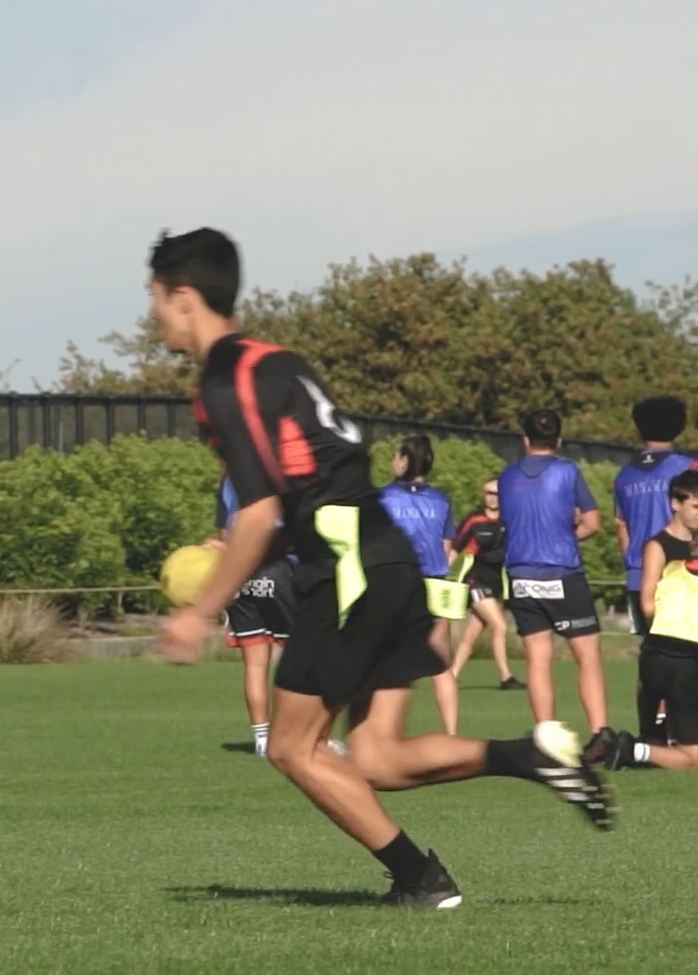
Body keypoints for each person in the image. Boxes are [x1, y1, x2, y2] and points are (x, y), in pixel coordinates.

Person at [149, 228, 611, 908]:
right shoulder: (281, 361)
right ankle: (533, 756)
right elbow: (310, 490)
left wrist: (195, 611)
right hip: (389, 561)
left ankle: (420, 880)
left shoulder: (224, 380)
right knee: (375, 758)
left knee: (290, 748)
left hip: (346, 574)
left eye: (155, 296)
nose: (153, 311)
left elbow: (259, 511)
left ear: (184, 296)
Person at [498, 409, 612, 754]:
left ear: (525, 440)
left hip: (520, 574)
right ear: (559, 440)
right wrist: (567, 532)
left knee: (537, 659)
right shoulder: (567, 470)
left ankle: (546, 736)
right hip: (562, 571)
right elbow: (592, 523)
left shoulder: (506, 476)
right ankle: (599, 734)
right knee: (587, 656)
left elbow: (513, 520)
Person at [600, 470, 698, 771]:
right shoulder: (659, 546)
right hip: (672, 650)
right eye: (696, 506)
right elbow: (647, 602)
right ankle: (636, 748)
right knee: (691, 757)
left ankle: (644, 748)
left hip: (675, 653)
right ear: (675, 504)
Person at [376, 437, 464, 736]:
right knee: (441, 664)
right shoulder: (440, 500)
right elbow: (446, 546)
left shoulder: (382, 497)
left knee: (388, 659)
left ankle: (383, 733)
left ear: (403, 460)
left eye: (394, 455)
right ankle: (451, 734)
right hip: (435, 583)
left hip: (398, 581)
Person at [212, 476, 294, 757]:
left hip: (242, 571)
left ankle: (261, 738)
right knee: (299, 658)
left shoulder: (231, 479)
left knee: (255, 665)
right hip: (281, 570)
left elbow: (224, 533)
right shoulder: (284, 474)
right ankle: (299, 736)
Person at [613, 397, 693, 635]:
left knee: (651, 655)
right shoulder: (689, 467)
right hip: (684, 573)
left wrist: (634, 566)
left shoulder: (624, 475)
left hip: (638, 575)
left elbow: (621, 525)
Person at [447, 479, 522, 691]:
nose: (492, 497)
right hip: (475, 580)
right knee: (500, 626)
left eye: (496, 494)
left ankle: (451, 675)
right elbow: (454, 549)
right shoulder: (473, 520)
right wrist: (442, 576)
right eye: (488, 492)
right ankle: (506, 678)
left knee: (471, 635)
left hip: (496, 582)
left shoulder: (510, 520)